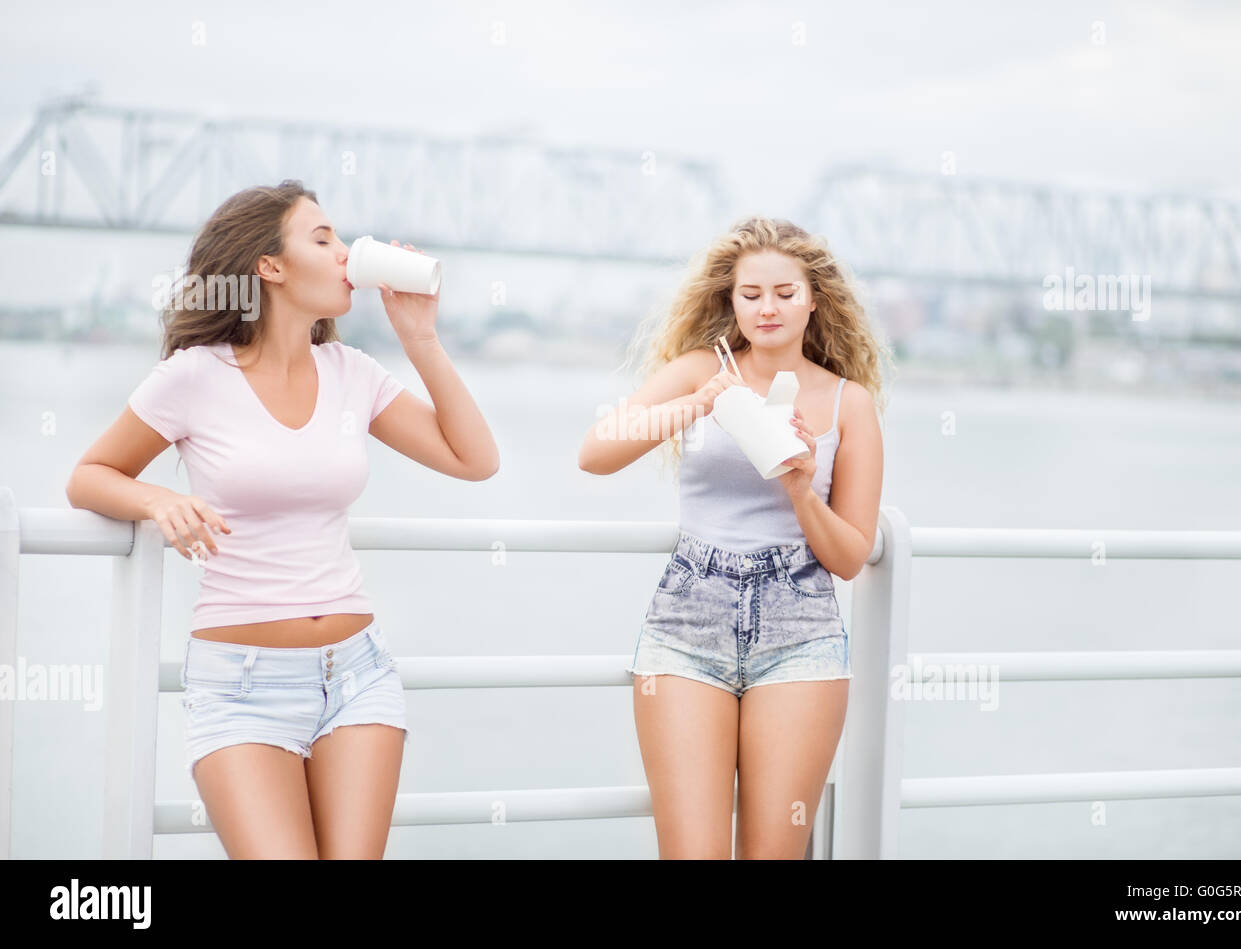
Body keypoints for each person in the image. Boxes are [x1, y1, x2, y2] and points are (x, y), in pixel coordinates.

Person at [65, 179, 499, 858]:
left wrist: (420, 338)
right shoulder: (193, 377)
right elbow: (89, 476)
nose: (345, 252)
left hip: (358, 676)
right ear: (270, 266)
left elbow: (474, 459)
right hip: (241, 687)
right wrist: (159, 500)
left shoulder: (351, 372)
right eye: (322, 239)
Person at [578, 216, 889, 858]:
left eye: (784, 292)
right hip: (686, 628)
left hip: (799, 634)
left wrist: (801, 487)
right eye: (750, 295)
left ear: (814, 299)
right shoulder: (699, 370)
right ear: (731, 301)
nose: (767, 307)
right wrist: (699, 403)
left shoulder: (848, 402)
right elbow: (595, 453)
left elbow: (851, 556)